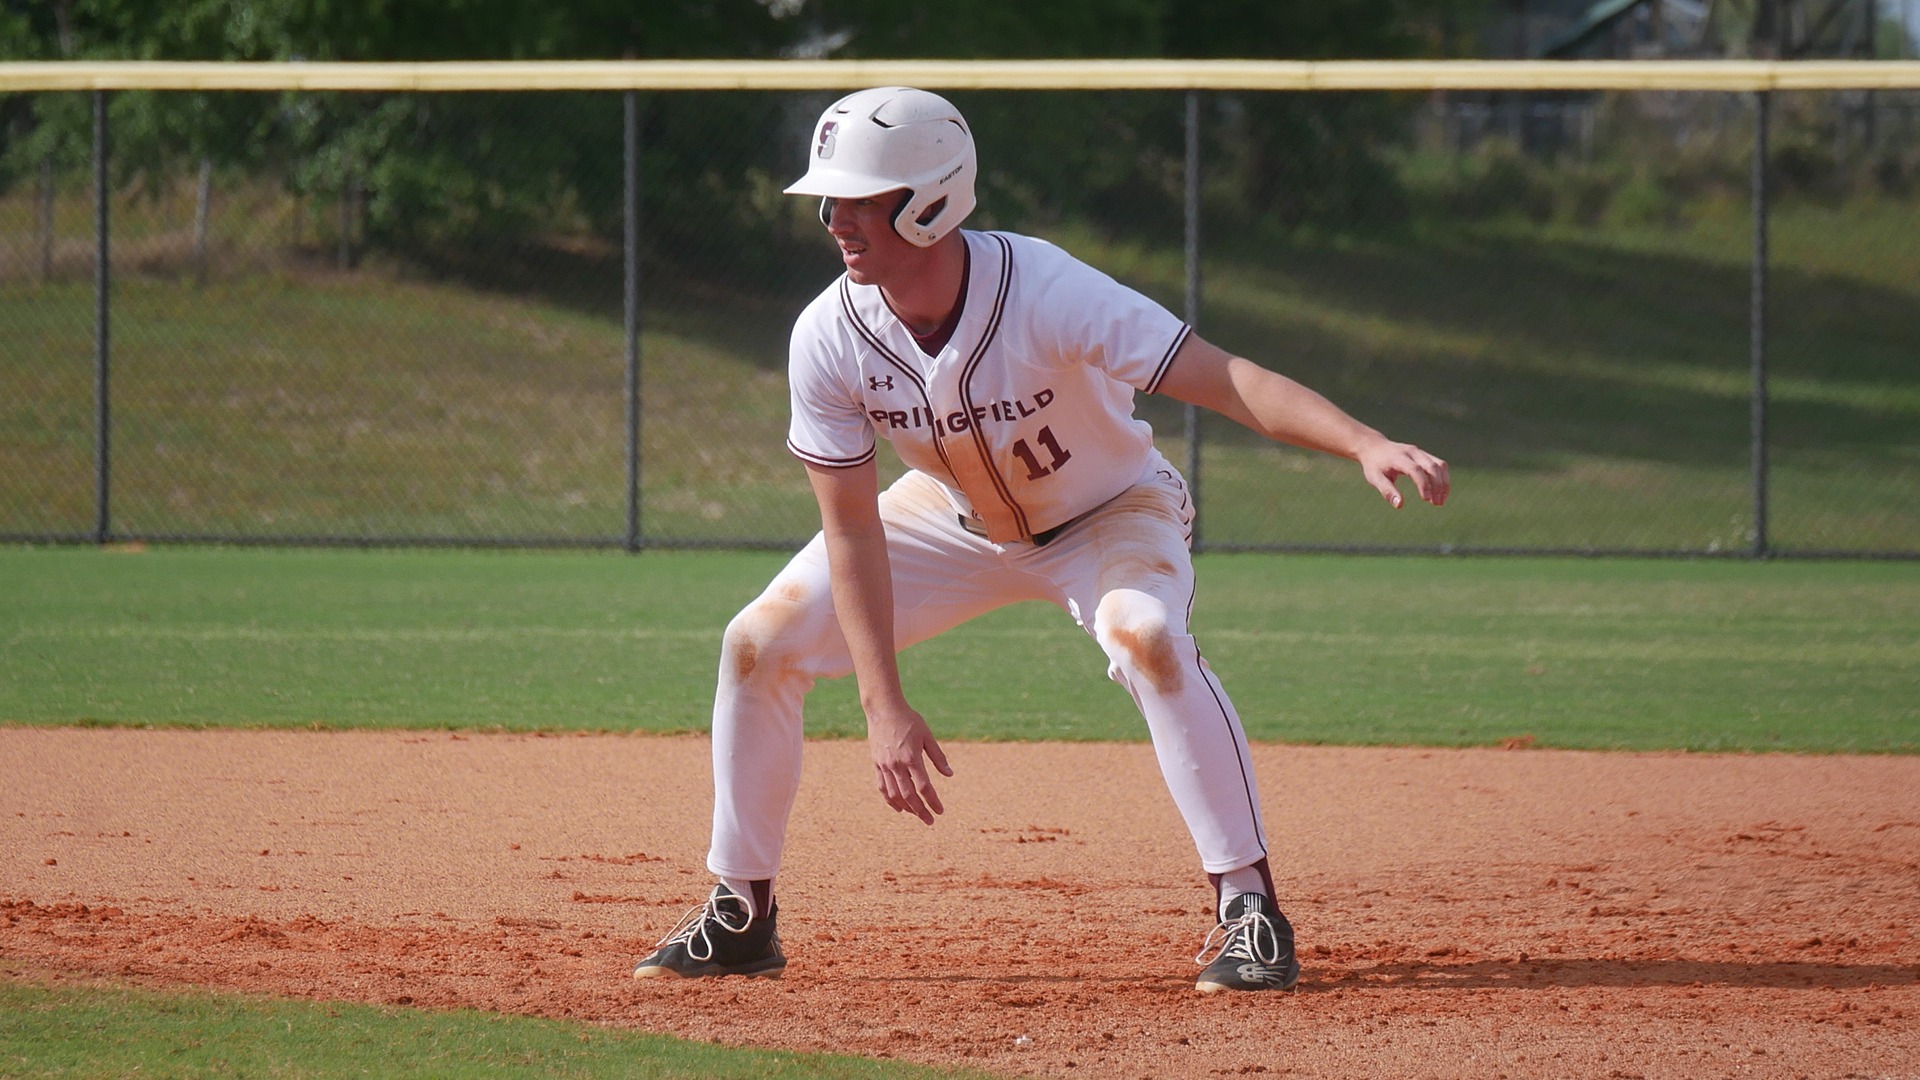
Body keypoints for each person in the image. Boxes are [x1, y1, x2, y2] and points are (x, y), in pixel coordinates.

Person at [632, 86, 1448, 994]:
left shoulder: (1045, 288)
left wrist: (1364, 442)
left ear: (930, 200)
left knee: (1147, 637)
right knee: (757, 642)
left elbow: (1225, 380)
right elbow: (852, 524)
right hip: (947, 518)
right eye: (830, 198)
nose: (836, 218)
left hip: (1109, 515)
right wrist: (882, 702)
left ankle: (1249, 908)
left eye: (861, 197)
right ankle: (740, 912)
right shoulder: (828, 334)